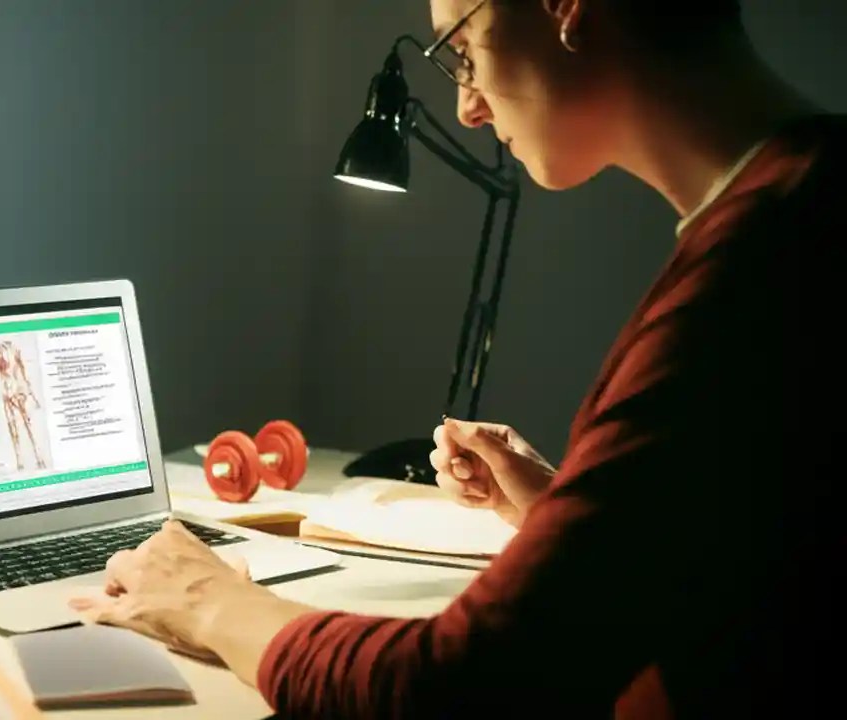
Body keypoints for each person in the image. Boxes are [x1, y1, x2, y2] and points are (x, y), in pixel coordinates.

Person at [69, 0, 844, 716]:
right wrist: (562, 518)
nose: (468, 108)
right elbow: (733, 582)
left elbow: (464, 686)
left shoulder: (758, 268)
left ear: (565, 7)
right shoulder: (801, 202)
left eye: (463, 48)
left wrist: (212, 603)